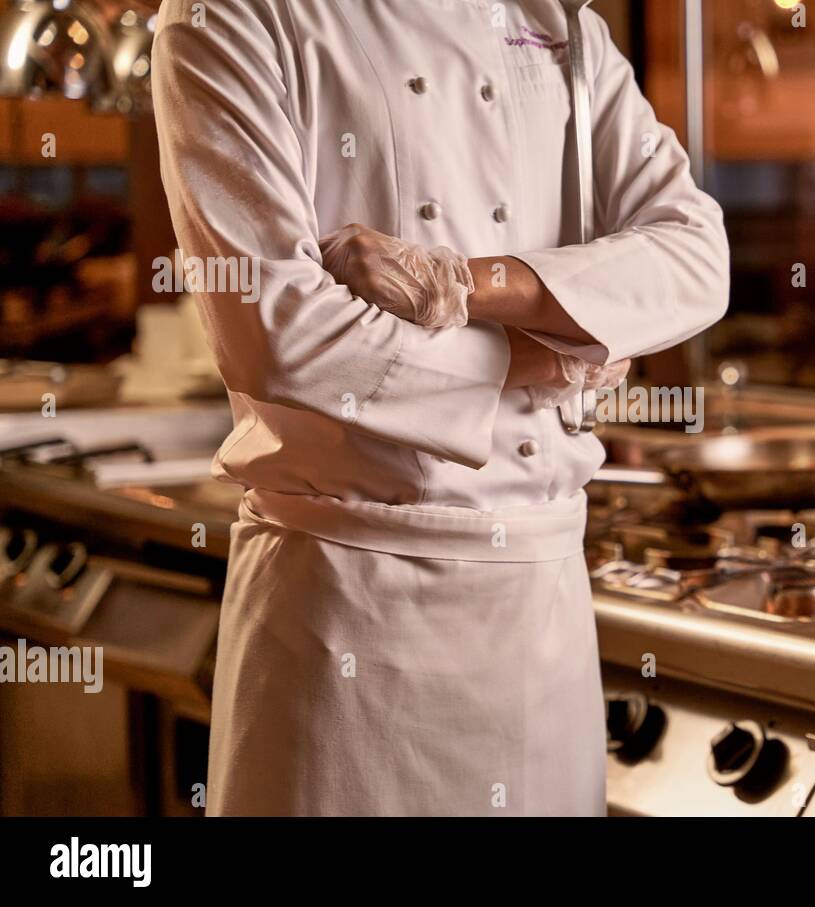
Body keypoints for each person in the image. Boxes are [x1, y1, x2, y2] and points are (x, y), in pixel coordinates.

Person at [151, 0, 729, 815]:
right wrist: (553, 354)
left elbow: (697, 257)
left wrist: (467, 284)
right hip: (345, 609)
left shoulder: (558, 22)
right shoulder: (229, 18)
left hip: (541, 608)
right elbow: (279, 331)